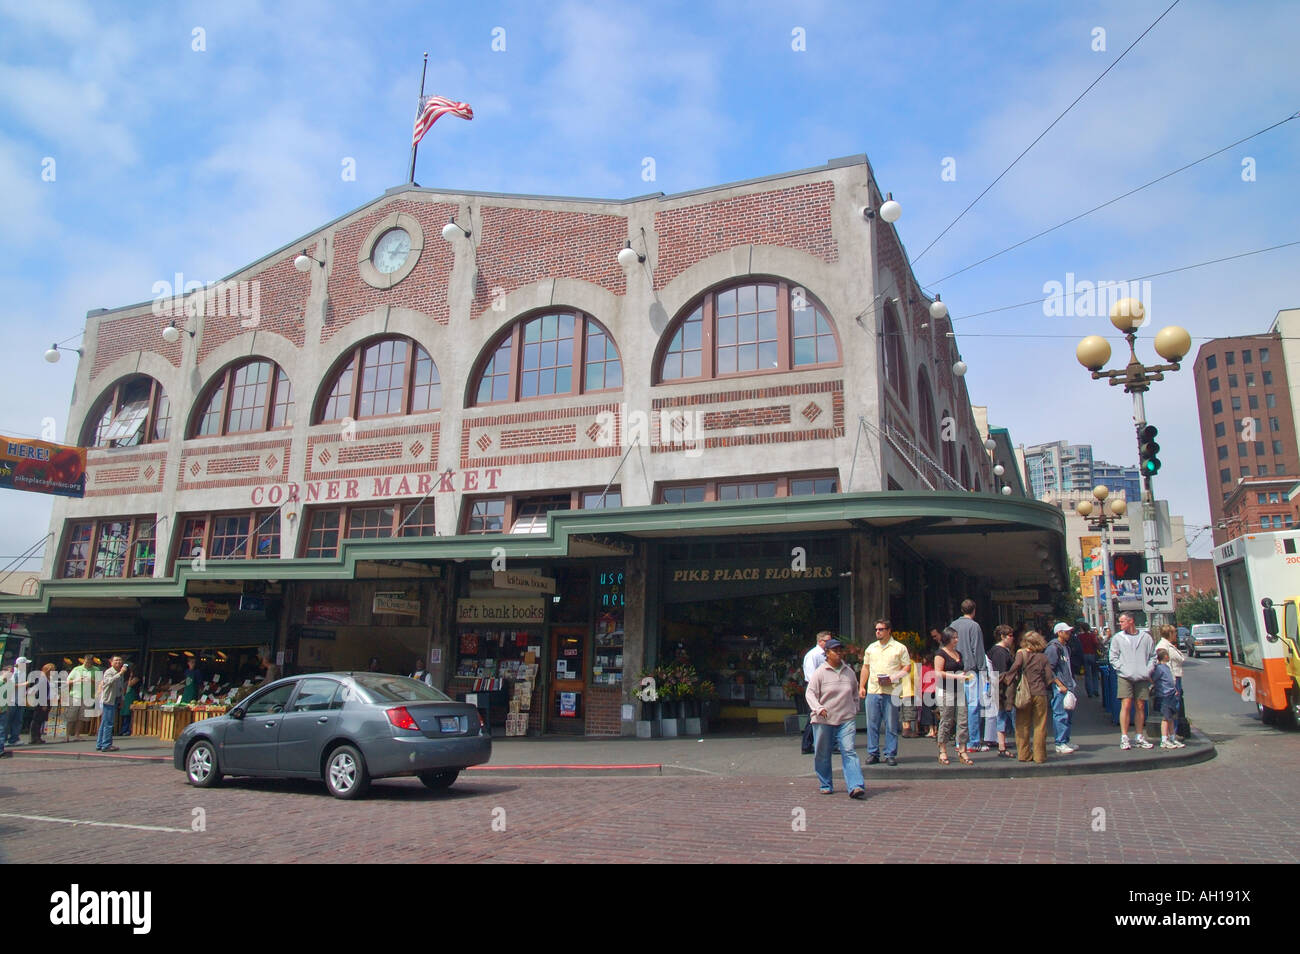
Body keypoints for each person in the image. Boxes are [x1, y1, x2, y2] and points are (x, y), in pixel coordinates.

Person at [805, 638, 866, 799]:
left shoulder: (849, 671)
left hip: (846, 718)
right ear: (827, 653)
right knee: (822, 753)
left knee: (849, 750)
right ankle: (825, 783)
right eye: (835, 650)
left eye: (840, 650)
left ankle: (855, 786)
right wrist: (819, 708)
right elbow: (810, 693)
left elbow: (854, 692)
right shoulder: (820, 672)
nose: (839, 653)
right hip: (824, 719)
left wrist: (854, 709)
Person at [858, 620, 910, 766]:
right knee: (872, 724)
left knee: (891, 724)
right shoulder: (871, 648)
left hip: (891, 690)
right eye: (876, 629)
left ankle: (890, 753)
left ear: (889, 630)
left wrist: (893, 678)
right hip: (874, 690)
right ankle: (873, 753)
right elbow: (865, 667)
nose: (878, 632)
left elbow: (907, 668)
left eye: (881, 629)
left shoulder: (899, 648)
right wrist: (862, 686)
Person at [1004, 631, 1053, 764]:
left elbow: (1015, 667)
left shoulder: (1021, 654)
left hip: (1024, 693)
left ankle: (1024, 755)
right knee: (1040, 725)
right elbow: (1049, 678)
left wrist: (1007, 680)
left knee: (1022, 725)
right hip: (1040, 693)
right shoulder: (1043, 657)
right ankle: (1040, 756)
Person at [1111, 612, 1156, 750]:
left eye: (1123, 621)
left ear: (1131, 621)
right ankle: (1124, 736)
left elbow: (1152, 656)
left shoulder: (1145, 637)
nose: (1120, 624)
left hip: (1141, 676)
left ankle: (1139, 736)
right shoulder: (1118, 638)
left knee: (1141, 705)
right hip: (1125, 676)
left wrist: (1147, 671)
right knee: (1126, 704)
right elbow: (1113, 657)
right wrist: (1123, 669)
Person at [950, 599, 988, 751]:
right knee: (973, 706)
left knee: (960, 707)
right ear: (974, 610)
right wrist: (983, 670)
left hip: (956, 670)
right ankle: (973, 741)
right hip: (971, 670)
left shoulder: (953, 625)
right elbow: (977, 649)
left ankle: (960, 741)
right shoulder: (974, 626)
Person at [933, 627, 973, 766]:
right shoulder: (940, 654)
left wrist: (965, 675)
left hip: (959, 689)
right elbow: (938, 672)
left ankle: (962, 749)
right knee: (946, 719)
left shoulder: (958, 653)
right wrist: (955, 676)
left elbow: (960, 668)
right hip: (946, 689)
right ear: (947, 639)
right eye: (954, 637)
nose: (956, 640)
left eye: (957, 637)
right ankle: (942, 750)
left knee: (963, 719)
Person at [1045, 623, 1078, 754]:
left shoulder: (1065, 647)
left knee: (1068, 714)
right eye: (1066, 632)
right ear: (1059, 632)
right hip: (1061, 687)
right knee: (1061, 714)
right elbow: (1049, 669)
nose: (1069, 634)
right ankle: (1060, 742)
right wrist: (1059, 684)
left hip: (1068, 685)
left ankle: (1065, 740)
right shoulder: (1053, 648)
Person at [986, 624, 1017, 757]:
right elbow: (1001, 673)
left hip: (999, 689)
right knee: (1007, 716)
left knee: (1002, 716)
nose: (1012, 638)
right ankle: (1003, 745)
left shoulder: (997, 650)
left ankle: (1002, 745)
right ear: (1002, 637)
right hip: (1004, 690)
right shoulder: (1000, 652)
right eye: (1010, 636)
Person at [1154, 623, 1188, 739]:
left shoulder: (1169, 644)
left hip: (1176, 678)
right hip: (1172, 680)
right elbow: (1167, 667)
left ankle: (1173, 733)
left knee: (1175, 707)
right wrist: (1173, 684)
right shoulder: (1163, 646)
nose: (1176, 635)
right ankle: (1171, 734)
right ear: (1169, 633)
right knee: (1172, 708)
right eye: (1174, 632)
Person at [799, 631, 832, 753]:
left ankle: (817, 743)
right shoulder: (813, 655)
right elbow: (811, 675)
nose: (829, 643)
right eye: (827, 641)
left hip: (824, 687)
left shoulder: (826, 654)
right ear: (820, 641)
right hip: (814, 687)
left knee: (823, 714)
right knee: (813, 715)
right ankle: (806, 745)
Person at [1151, 649, 1184, 749]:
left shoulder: (1166, 667)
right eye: (1167, 654)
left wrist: (1175, 689)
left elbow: (1169, 680)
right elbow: (1154, 679)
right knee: (1165, 718)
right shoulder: (1159, 668)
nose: (1168, 656)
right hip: (1164, 695)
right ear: (1164, 656)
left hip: (1171, 694)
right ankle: (1164, 740)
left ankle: (1172, 738)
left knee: (1170, 717)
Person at [95, 656, 127, 752]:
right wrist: (121, 673)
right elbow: (107, 682)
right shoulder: (109, 672)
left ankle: (100, 744)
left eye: (120, 660)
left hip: (115, 699)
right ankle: (106, 745)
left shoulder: (120, 673)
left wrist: (122, 699)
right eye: (116, 660)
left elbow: (120, 687)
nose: (118, 662)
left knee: (105, 722)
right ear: (111, 662)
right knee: (108, 723)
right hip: (108, 700)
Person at [66, 655, 96, 742]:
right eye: (86, 661)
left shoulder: (96, 670)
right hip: (75, 695)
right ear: (84, 661)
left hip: (88, 696)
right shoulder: (77, 669)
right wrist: (77, 680)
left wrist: (92, 680)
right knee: (71, 716)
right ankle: (67, 735)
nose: (88, 663)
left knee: (81, 717)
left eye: (90, 662)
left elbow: (100, 683)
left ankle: (77, 735)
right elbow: (68, 681)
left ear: (92, 662)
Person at [28, 663, 55, 745]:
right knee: (37, 719)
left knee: (40, 720)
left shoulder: (47, 678)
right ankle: (34, 738)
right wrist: (43, 703)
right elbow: (41, 691)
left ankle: (37, 737)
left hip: (46, 700)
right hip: (42, 702)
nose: (53, 672)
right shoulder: (42, 678)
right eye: (52, 670)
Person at [1077, 621, 1102, 698]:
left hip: (1084, 655)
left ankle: (1089, 692)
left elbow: (1078, 646)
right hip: (1093, 654)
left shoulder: (1079, 636)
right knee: (1095, 673)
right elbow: (1096, 644)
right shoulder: (1092, 635)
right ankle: (1096, 690)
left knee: (1087, 674)